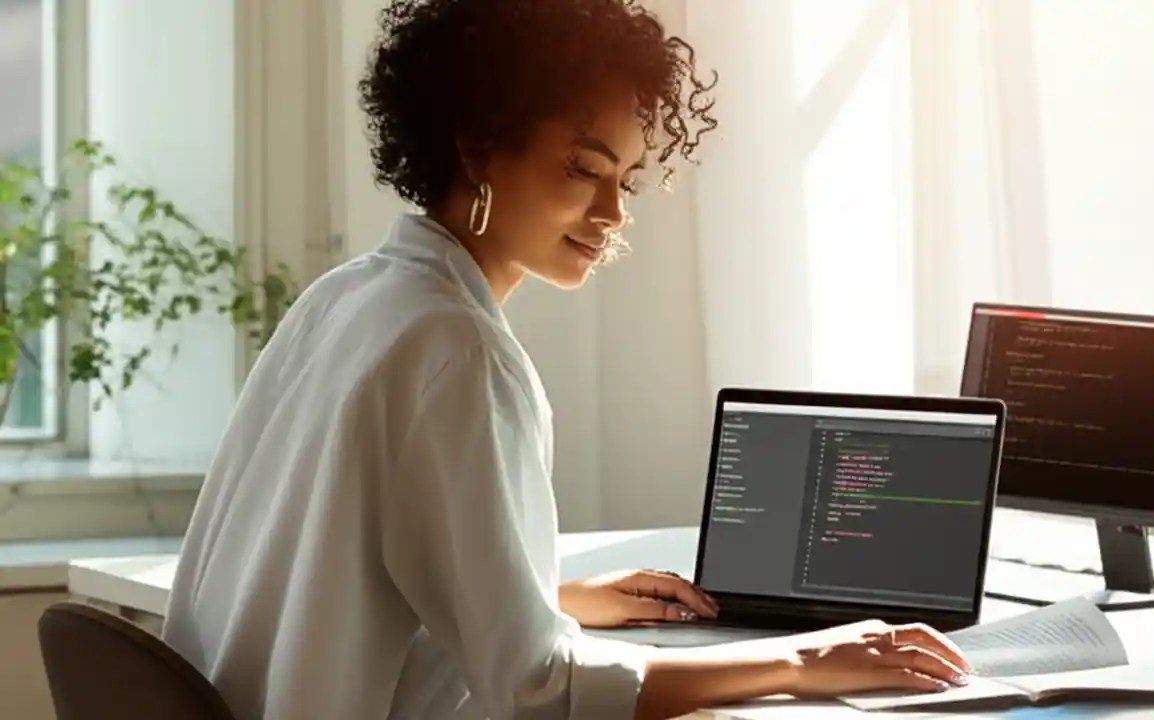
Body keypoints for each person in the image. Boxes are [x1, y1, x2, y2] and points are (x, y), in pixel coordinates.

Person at [160, 1, 973, 718]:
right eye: (584, 169)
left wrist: (544, 599)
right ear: (479, 149)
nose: (613, 212)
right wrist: (800, 662)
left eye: (628, 177)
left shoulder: (349, 298)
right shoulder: (456, 348)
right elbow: (536, 693)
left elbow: (342, 574)